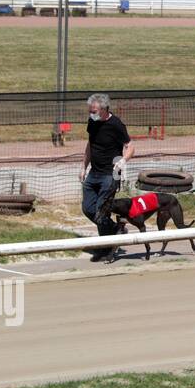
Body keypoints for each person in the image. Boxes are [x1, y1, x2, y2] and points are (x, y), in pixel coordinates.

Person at [80, 93, 134, 263]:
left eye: (94, 111)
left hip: (110, 175)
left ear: (104, 110)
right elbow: (90, 144)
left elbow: (130, 146)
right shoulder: (92, 122)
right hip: (93, 174)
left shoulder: (116, 124)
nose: (91, 114)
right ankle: (114, 229)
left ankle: (105, 248)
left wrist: (123, 161)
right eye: (90, 111)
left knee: (100, 211)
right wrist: (83, 167)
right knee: (88, 208)